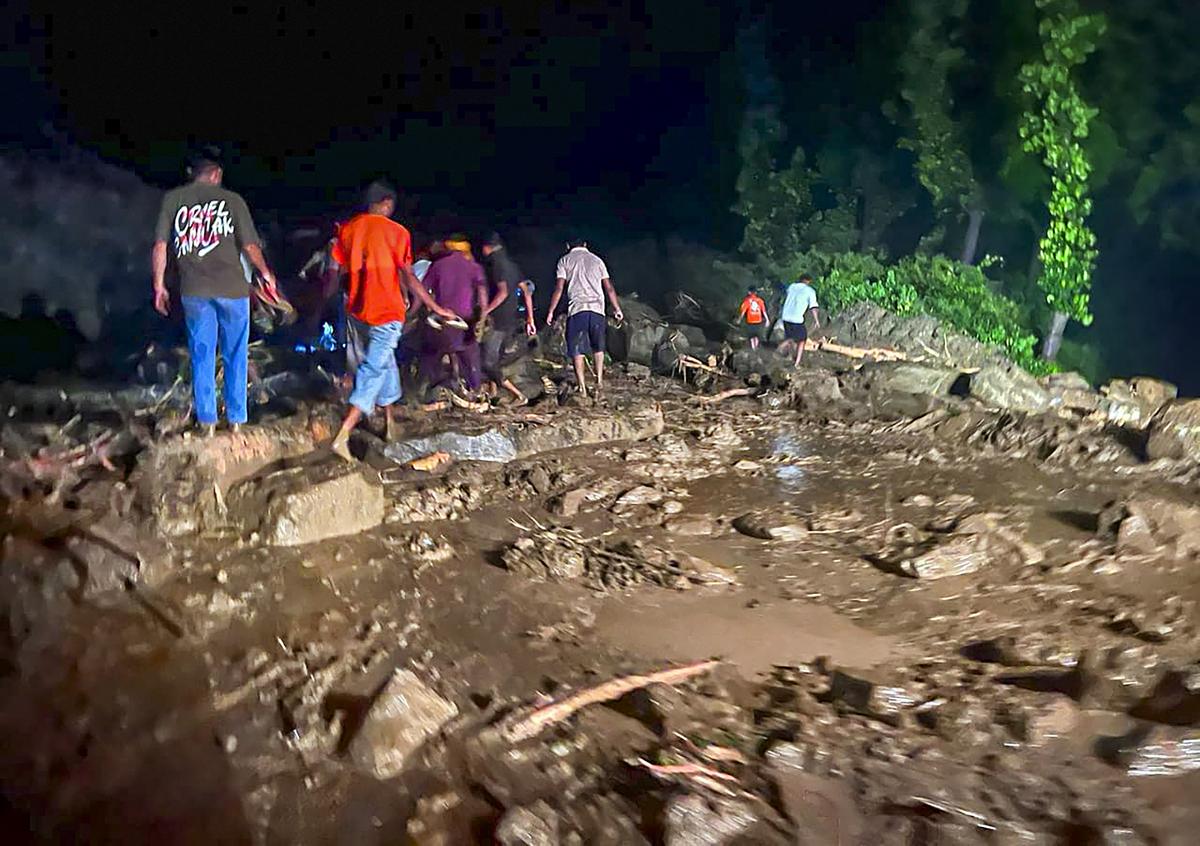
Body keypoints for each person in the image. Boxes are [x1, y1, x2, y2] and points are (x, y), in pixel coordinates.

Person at [326, 181, 457, 461]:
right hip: (387, 310)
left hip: (357, 310)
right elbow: (408, 276)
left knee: (384, 362)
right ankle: (343, 434)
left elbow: (334, 272)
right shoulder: (398, 232)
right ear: (387, 203)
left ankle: (390, 424)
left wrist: (321, 306)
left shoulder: (348, 229)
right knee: (374, 367)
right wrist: (435, 307)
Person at [152, 147, 277, 436]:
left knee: (201, 353)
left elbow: (160, 246)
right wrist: (266, 273)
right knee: (235, 352)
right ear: (217, 173)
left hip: (194, 290)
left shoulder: (173, 200)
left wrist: (158, 285)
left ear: (192, 174)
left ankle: (207, 422)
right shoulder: (233, 200)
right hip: (233, 290)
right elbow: (250, 246)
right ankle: (236, 421)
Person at [546, 237, 624, 398]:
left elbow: (559, 288)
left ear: (568, 245)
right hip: (597, 309)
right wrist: (617, 309)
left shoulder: (564, 261)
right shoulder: (597, 261)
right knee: (598, 347)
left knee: (576, 349)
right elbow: (608, 288)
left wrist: (551, 311)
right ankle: (599, 382)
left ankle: (582, 387)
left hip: (577, 309)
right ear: (585, 245)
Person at [420, 234, 488, 399]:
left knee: (431, 355)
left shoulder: (437, 266)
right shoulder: (473, 267)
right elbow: (482, 293)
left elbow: (424, 291)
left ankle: (429, 394)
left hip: (443, 319)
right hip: (465, 320)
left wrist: (428, 311)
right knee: (470, 358)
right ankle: (475, 391)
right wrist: (482, 316)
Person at [480, 232, 537, 404]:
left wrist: (486, 311)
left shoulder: (496, 264)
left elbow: (503, 292)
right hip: (511, 320)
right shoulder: (511, 264)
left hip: (498, 320)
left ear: (487, 247)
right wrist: (530, 319)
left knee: (488, 363)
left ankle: (518, 395)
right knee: (495, 359)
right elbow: (526, 291)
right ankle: (492, 394)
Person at [779, 274, 821, 366]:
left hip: (785, 317)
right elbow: (813, 307)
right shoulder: (810, 291)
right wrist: (816, 320)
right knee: (802, 339)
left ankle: (789, 356)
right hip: (796, 318)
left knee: (790, 337)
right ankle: (796, 362)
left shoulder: (792, 286)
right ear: (808, 281)